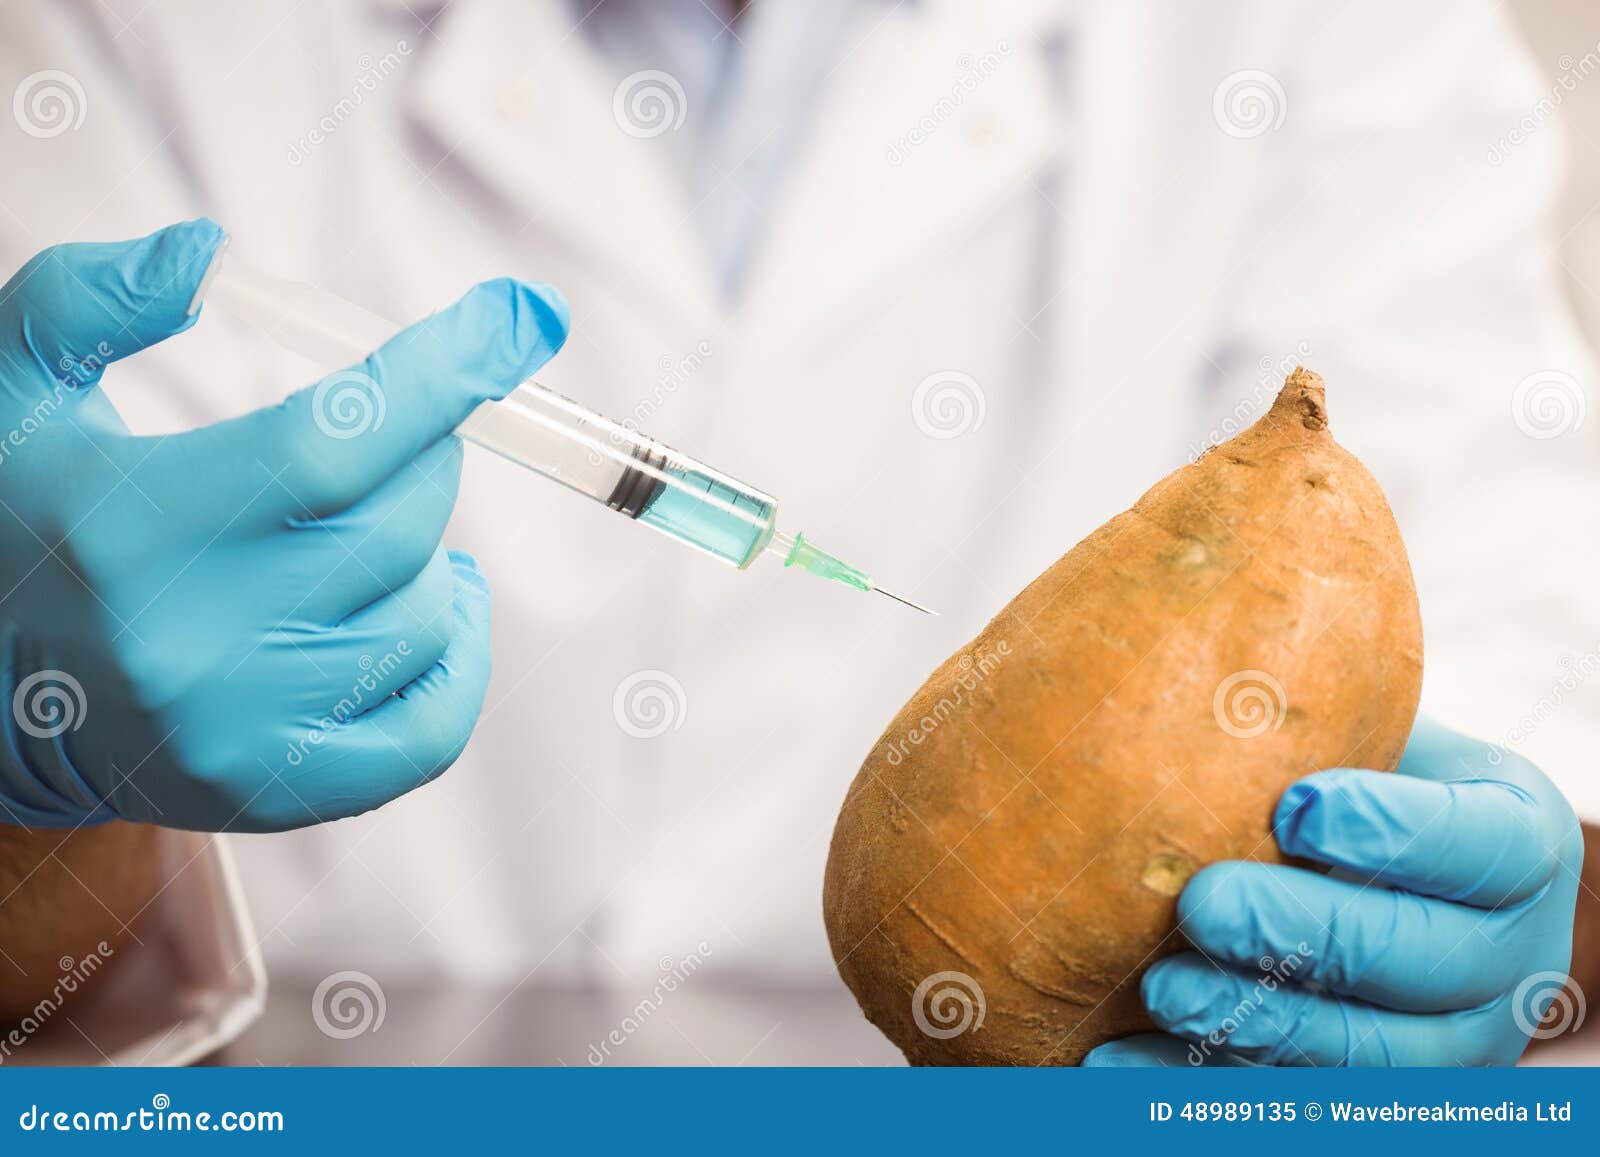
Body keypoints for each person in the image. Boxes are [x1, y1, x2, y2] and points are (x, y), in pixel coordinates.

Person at [0, 0, 1594, 1065]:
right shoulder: (121, 33)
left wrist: (1493, 934)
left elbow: (1531, 690)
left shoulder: (1327, 39)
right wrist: (30, 750)